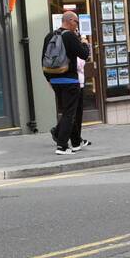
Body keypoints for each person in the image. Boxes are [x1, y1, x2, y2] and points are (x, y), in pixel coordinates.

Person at [43, 10, 92, 154]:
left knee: (69, 111)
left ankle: (76, 142)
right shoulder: (70, 36)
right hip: (69, 79)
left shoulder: (49, 36)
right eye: (76, 22)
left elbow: (43, 60)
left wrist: (50, 80)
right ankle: (62, 145)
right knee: (69, 113)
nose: (77, 25)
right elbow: (84, 54)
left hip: (55, 79)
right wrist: (84, 42)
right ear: (70, 21)